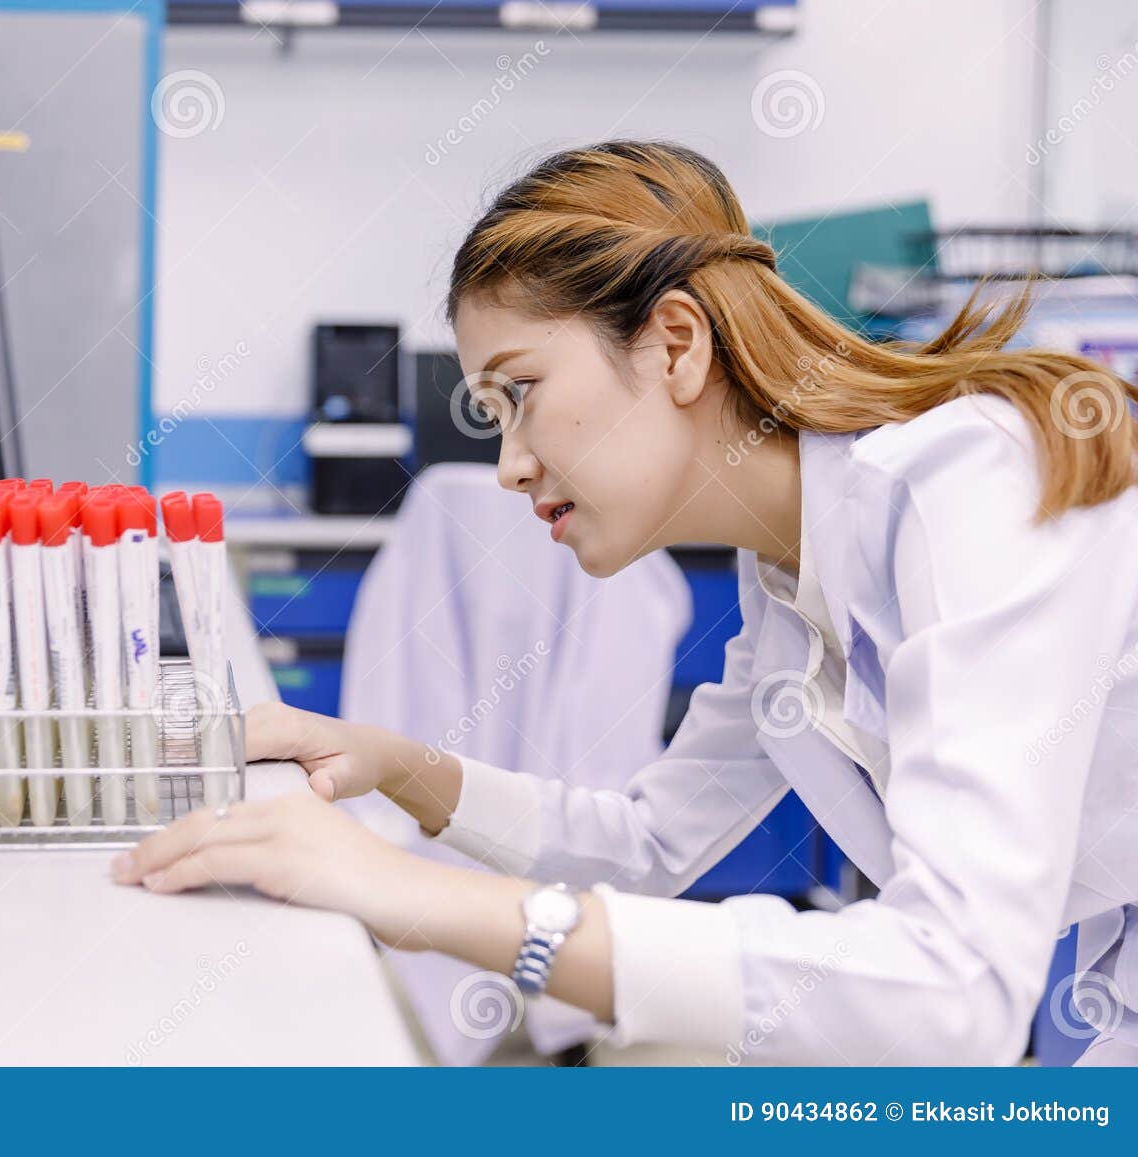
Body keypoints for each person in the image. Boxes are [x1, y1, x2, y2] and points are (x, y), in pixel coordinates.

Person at [112, 140, 1138, 1065]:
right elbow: (648, 844)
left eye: (520, 393)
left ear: (676, 344)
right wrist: (397, 766)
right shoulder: (788, 579)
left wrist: (410, 891)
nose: (509, 466)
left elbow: (957, 993)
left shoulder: (968, 485)